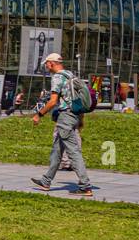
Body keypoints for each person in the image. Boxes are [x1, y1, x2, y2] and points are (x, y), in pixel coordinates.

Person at [29, 53, 93, 196]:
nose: (46, 66)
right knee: (57, 150)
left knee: (73, 152)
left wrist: (38, 115)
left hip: (65, 117)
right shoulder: (70, 74)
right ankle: (46, 181)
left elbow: (52, 101)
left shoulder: (57, 77)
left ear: (51, 63)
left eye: (46, 64)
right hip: (74, 115)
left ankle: (85, 186)